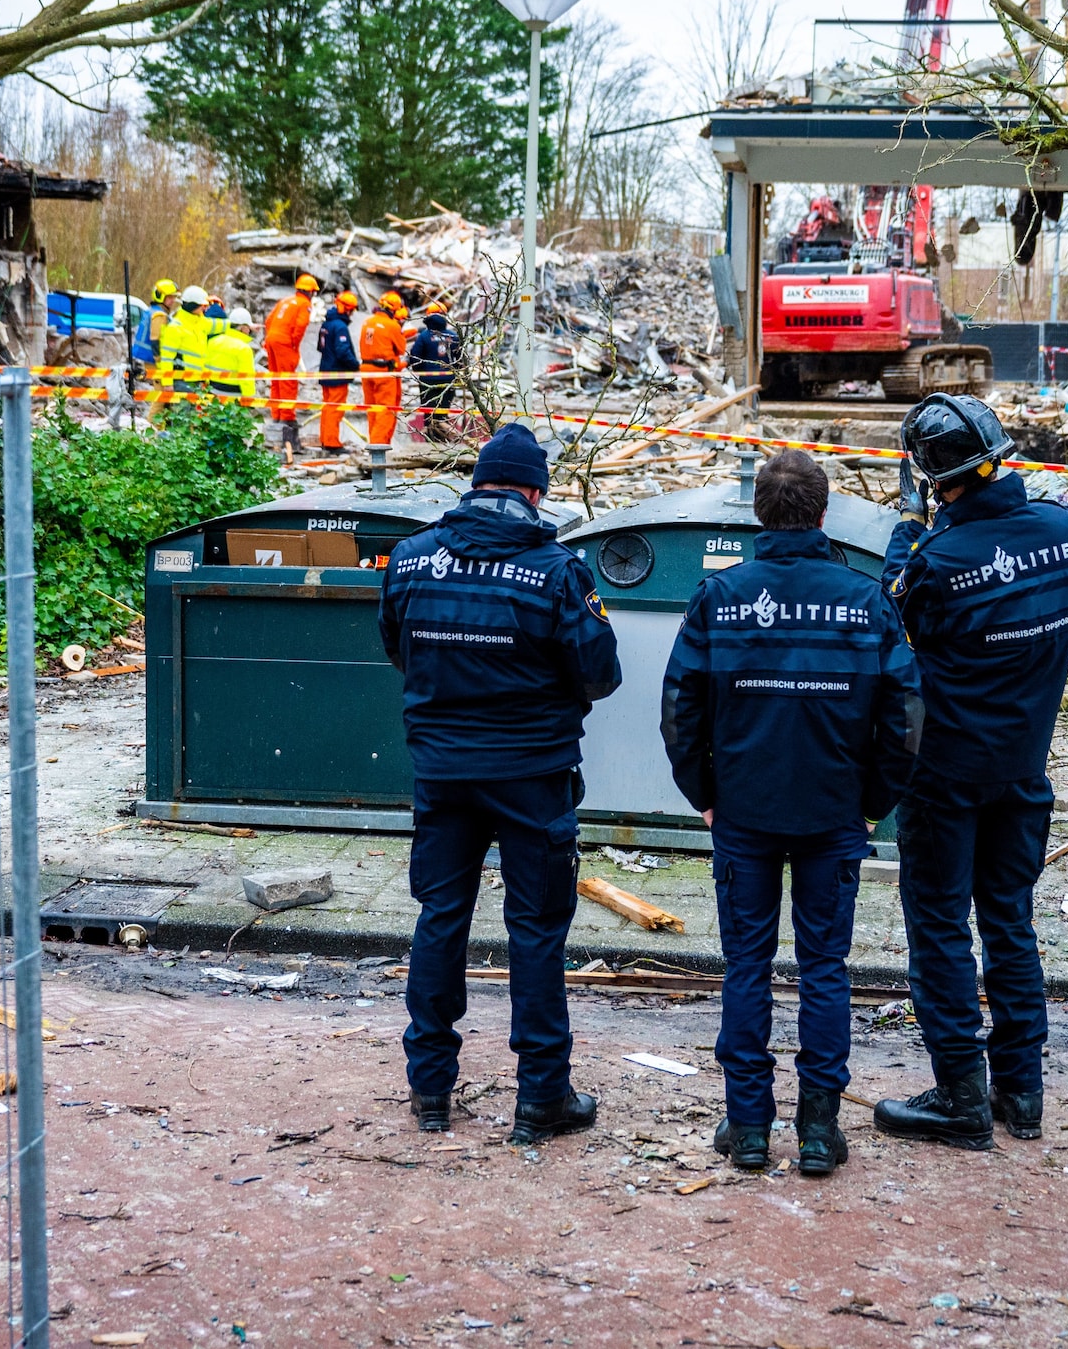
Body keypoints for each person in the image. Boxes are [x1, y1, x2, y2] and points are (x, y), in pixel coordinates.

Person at [660, 451, 920, 1177]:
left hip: (744, 811)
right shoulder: (864, 599)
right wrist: (873, 805)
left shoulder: (721, 596)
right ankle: (817, 1128)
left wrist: (704, 794)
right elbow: (903, 716)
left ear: (760, 514)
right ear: (823, 511)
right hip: (833, 814)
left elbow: (680, 710)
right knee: (824, 968)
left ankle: (748, 1128)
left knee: (746, 965)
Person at [378, 424, 621, 1144]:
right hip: (532, 776)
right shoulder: (556, 569)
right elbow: (601, 673)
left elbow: (397, 646)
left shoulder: (413, 559)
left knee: (440, 919)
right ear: (534, 492)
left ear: (478, 484)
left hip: (443, 771)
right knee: (538, 930)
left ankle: (429, 1089)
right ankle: (541, 1097)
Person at [874, 394, 1068, 1150]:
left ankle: (961, 1093)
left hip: (945, 775)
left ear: (934, 478)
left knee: (938, 925)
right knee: (1010, 924)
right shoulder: (1066, 531)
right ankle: (1022, 1093)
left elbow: (898, 618)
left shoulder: (938, 558)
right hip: (1024, 769)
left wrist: (907, 534)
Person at [263, 273, 320, 452]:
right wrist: (294, 345)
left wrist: (270, 338)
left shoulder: (285, 301)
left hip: (272, 340)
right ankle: (287, 416)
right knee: (288, 381)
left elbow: (268, 321)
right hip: (285, 342)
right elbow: (300, 326)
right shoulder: (304, 304)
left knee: (276, 380)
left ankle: (277, 414)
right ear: (310, 292)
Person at [407, 302, 461, 440]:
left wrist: (420, 371)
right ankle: (443, 440)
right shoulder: (453, 336)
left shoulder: (424, 336)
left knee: (429, 413)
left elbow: (415, 357)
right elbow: (460, 359)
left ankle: (431, 440)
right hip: (448, 380)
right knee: (442, 412)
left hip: (427, 381)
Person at [359, 291, 407, 446]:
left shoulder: (367, 322)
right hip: (384, 372)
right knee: (385, 410)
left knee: (372, 409)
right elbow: (400, 349)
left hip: (366, 370)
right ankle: (378, 447)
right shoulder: (392, 325)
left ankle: (375, 443)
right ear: (393, 309)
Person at [317, 291, 360, 450]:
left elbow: (320, 347)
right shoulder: (340, 326)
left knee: (327, 408)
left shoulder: (326, 324)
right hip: (338, 374)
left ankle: (325, 439)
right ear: (348, 309)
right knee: (335, 409)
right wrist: (355, 365)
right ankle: (331, 443)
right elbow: (343, 351)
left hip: (326, 371)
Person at [155, 284, 214, 388]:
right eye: (203, 306)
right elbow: (167, 358)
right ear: (192, 306)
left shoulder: (200, 322)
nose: (205, 309)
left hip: (199, 381)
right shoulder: (175, 328)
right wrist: (167, 383)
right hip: (182, 382)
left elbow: (218, 325)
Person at [213, 305, 261, 404]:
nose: (249, 331)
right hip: (233, 399)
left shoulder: (214, 341)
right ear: (243, 328)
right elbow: (246, 379)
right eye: (248, 328)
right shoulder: (243, 349)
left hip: (212, 395)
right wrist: (249, 399)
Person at [131, 279, 180, 367]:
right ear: (160, 296)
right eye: (170, 297)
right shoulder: (159, 315)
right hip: (149, 360)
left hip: (141, 356)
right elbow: (155, 339)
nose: (173, 300)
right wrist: (159, 360)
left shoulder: (151, 310)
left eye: (174, 297)